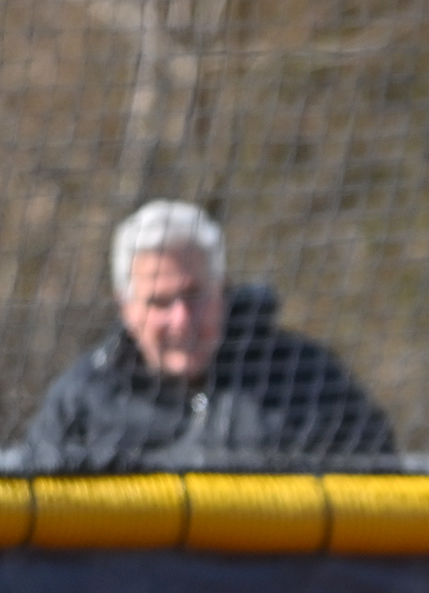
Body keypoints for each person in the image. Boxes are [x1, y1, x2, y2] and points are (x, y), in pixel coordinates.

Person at [21, 200, 395, 470]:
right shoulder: (83, 400)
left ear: (223, 289)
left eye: (194, 294)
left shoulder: (307, 381)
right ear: (126, 308)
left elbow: (380, 497)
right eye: (159, 302)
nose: (181, 320)